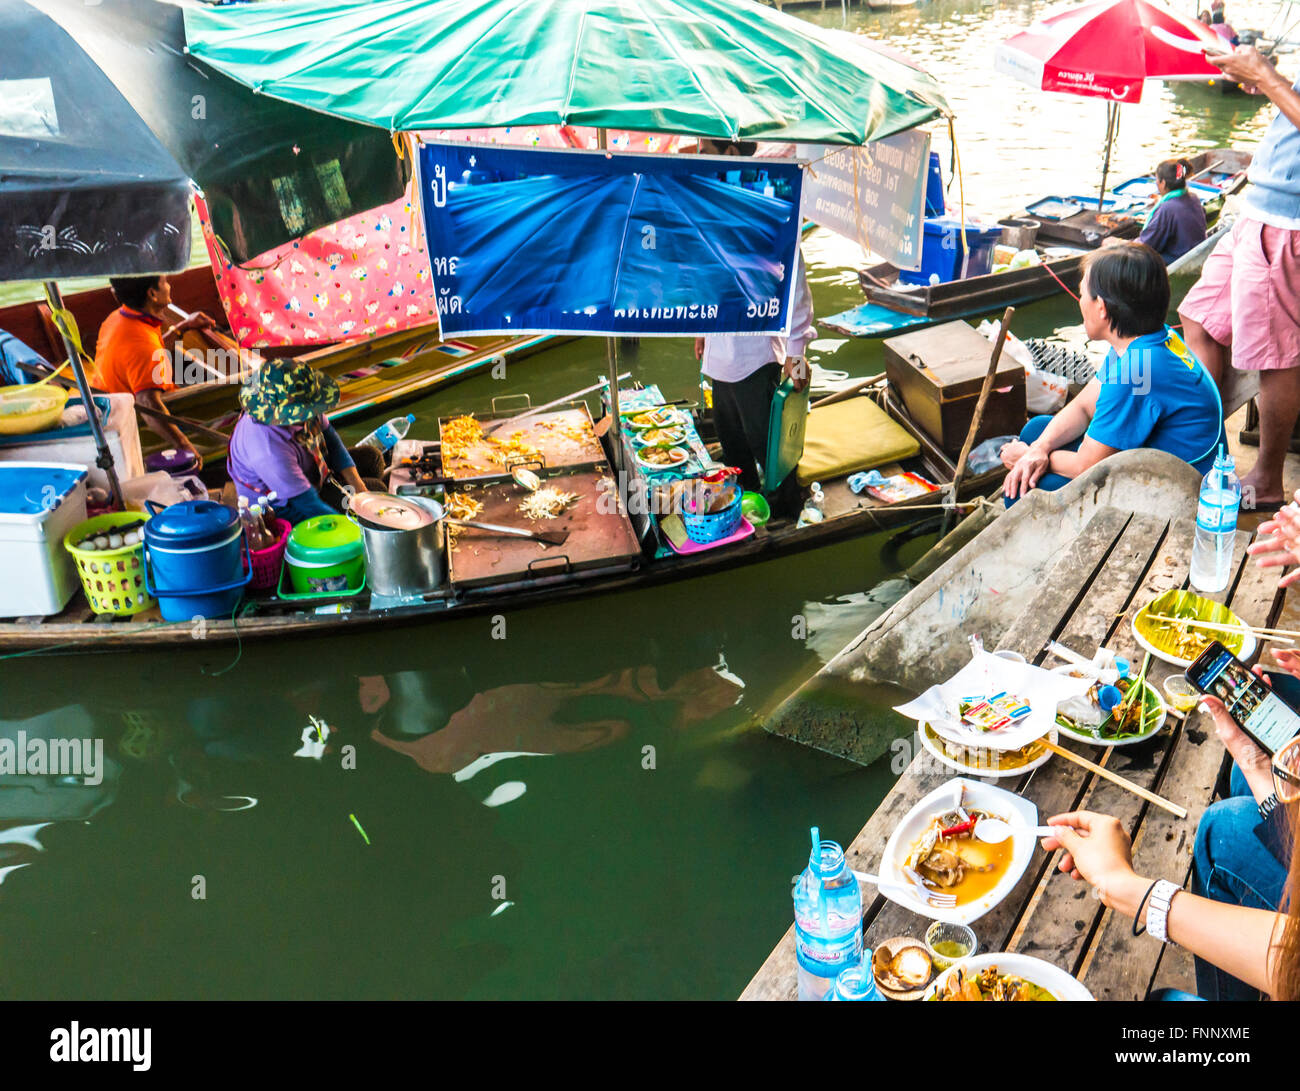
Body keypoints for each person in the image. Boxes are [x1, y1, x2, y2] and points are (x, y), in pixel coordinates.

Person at [1001, 243, 1224, 503]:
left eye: (1082, 294)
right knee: (1038, 431)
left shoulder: (1136, 372)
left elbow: (1087, 466)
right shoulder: (1142, 341)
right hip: (1158, 460)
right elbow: (1084, 406)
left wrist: (1026, 456)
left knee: (1022, 492)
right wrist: (1037, 449)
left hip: (1179, 491)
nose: (1080, 302)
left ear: (1102, 308)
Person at [1178, 47, 1300, 511]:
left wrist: (1267, 77)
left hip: (1287, 221)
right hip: (1257, 206)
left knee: (1277, 358)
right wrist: (1272, 82)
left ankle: (1267, 478)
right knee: (1200, 318)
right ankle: (1206, 452)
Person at [693, 139, 815, 507]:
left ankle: (787, 513)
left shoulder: (767, 210)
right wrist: (702, 328)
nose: (700, 156)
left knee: (772, 454)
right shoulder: (712, 205)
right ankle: (744, 512)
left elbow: (796, 293)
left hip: (756, 359)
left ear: (731, 154)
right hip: (720, 359)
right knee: (733, 452)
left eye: (706, 149)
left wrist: (796, 357)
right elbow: (707, 277)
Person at [226, 357, 370, 525]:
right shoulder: (268, 449)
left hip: (314, 468)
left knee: (371, 458)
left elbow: (332, 440)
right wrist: (356, 526)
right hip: (284, 506)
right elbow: (308, 504)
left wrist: (360, 489)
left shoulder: (303, 401)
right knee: (363, 511)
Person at [93, 275, 213, 468]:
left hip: (109, 398)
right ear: (152, 294)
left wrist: (183, 327)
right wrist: (186, 447)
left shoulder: (118, 318)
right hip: (129, 417)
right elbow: (148, 405)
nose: (169, 285)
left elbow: (152, 353)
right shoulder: (143, 345)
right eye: (165, 281)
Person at [1136, 158, 1207, 263]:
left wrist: (1119, 243)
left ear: (1163, 183)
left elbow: (1146, 245)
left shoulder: (1167, 209)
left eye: (1157, 180)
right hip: (1195, 255)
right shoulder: (1193, 198)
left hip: (1179, 261)